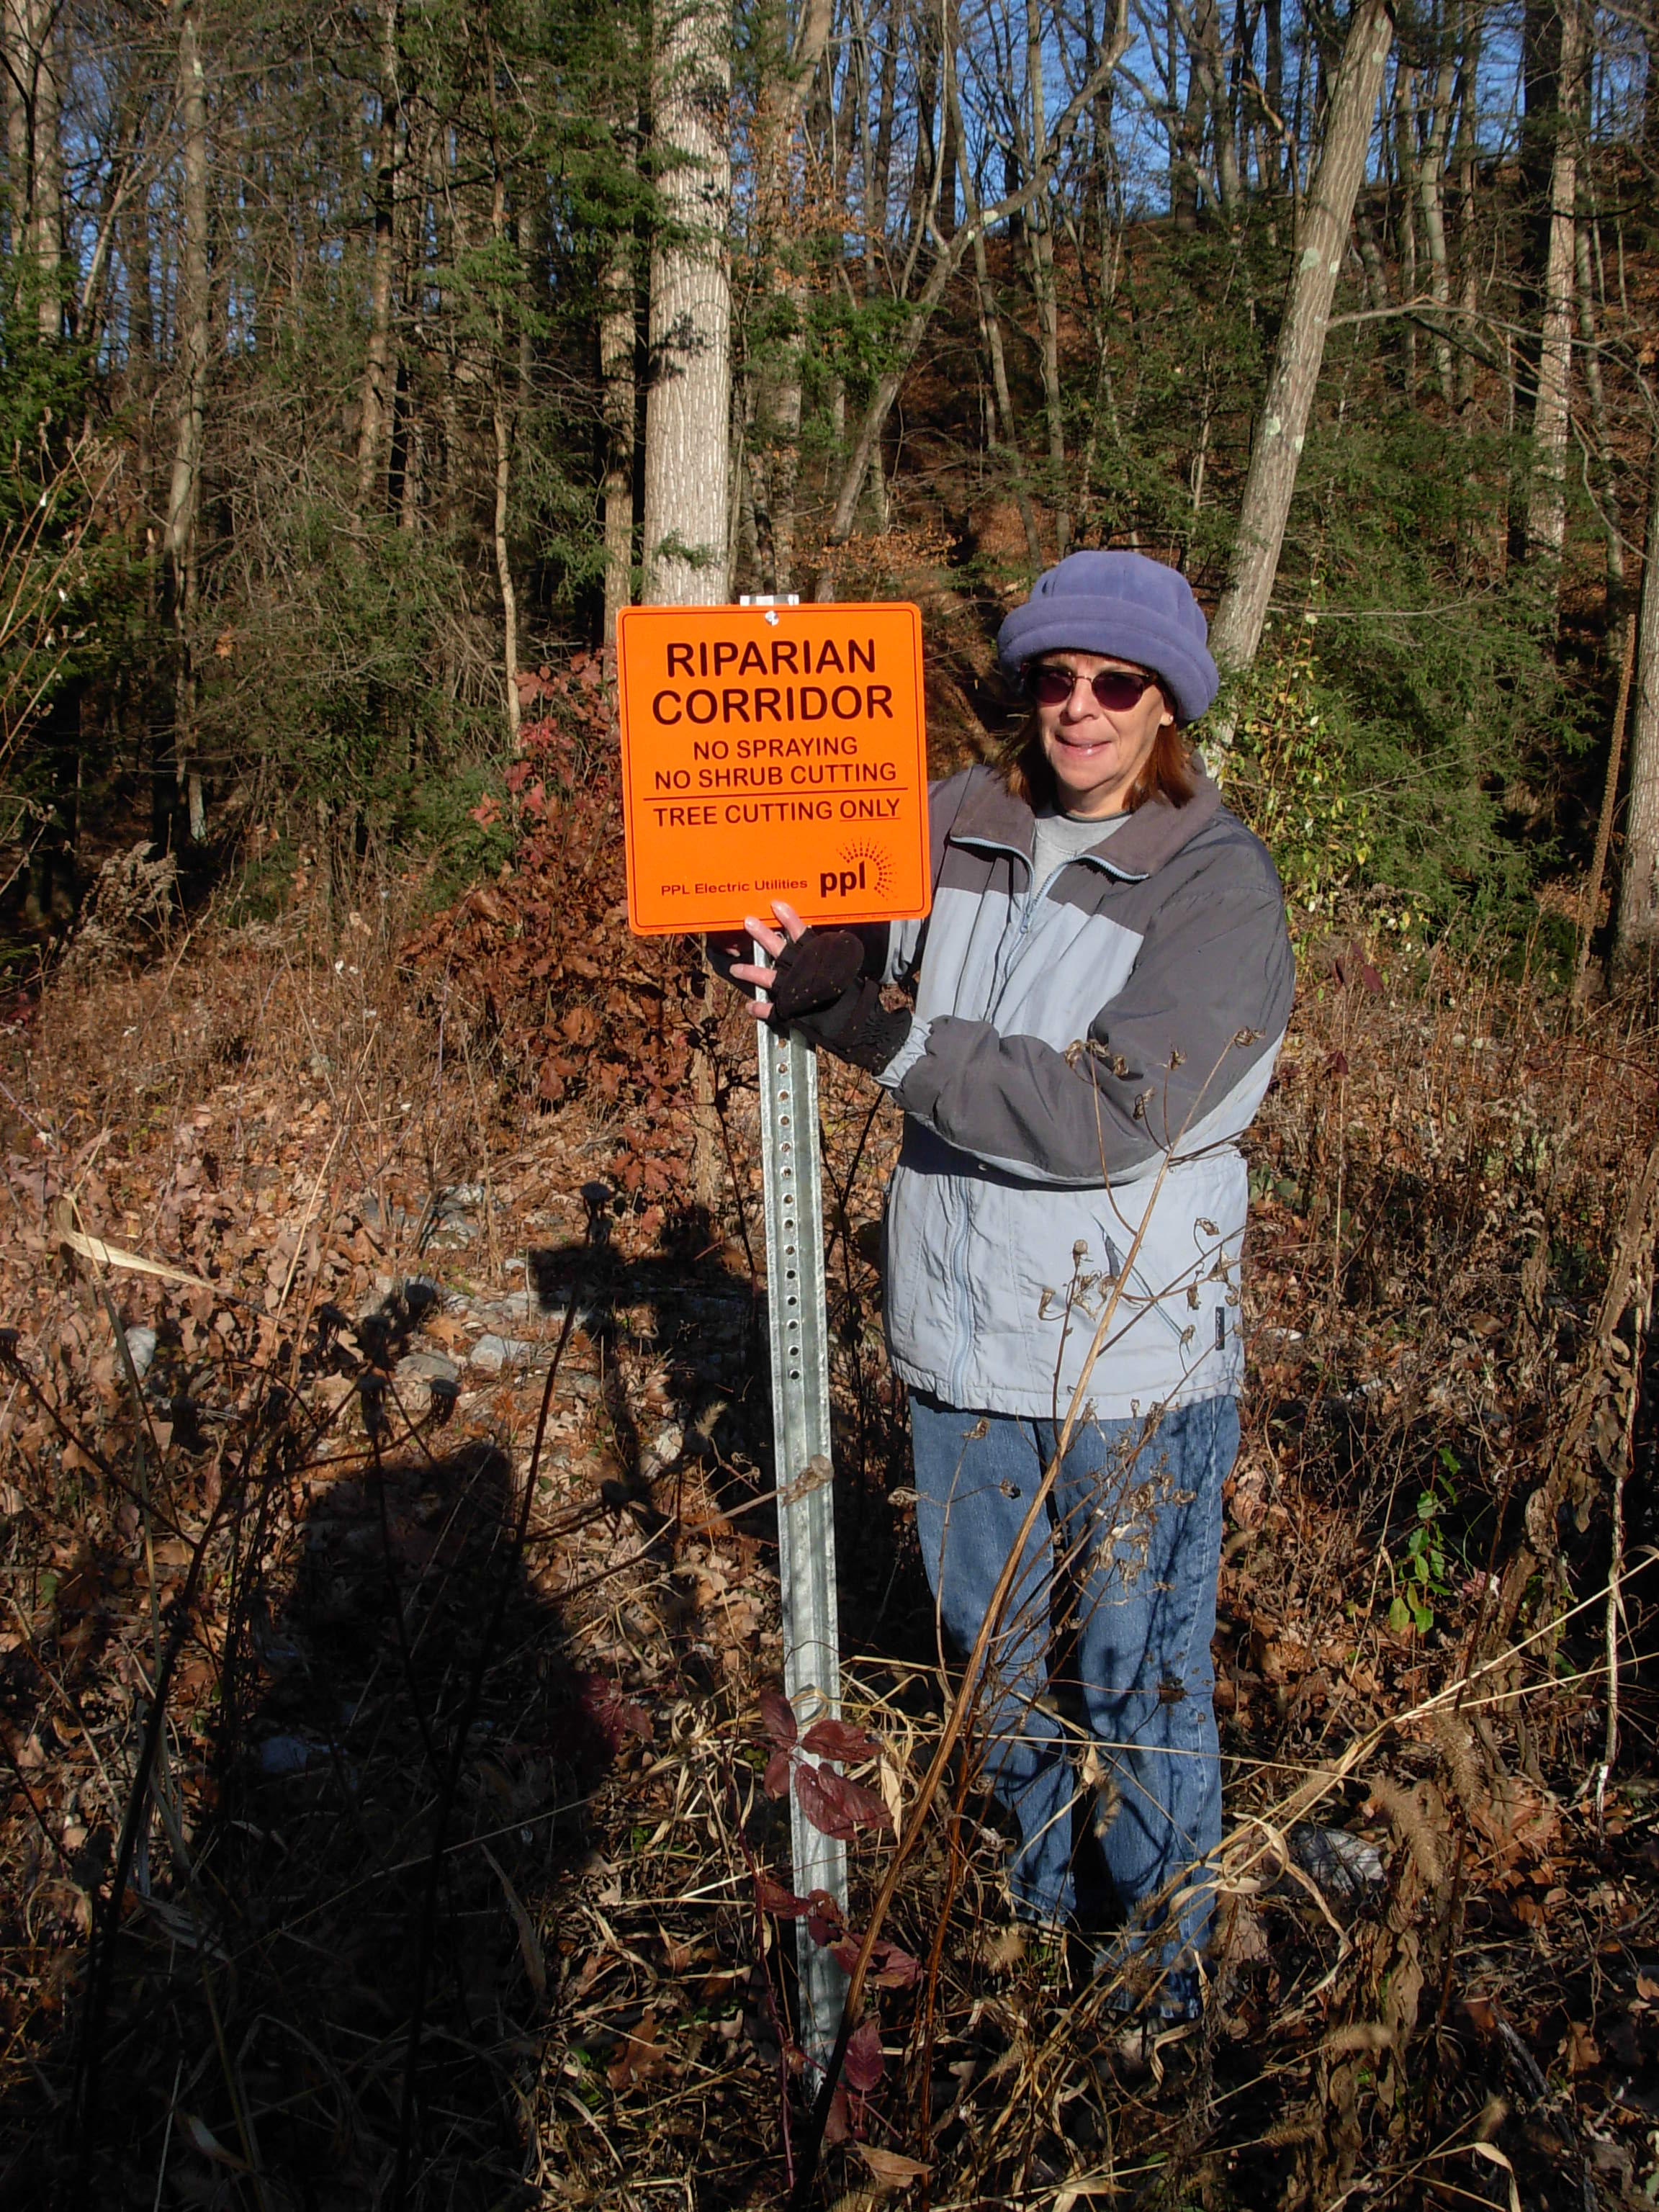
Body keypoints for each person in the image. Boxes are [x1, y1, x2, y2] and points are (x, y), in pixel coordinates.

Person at [724, 550, 1295, 2024]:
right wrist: (786, 922)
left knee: (1136, 1682)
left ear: (1168, 702)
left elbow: (1109, 1114)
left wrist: (877, 1033)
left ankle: (1154, 1997)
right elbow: (813, 876)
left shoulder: (1215, 888)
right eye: (1057, 678)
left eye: (1117, 683)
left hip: (1130, 1371)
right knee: (993, 1665)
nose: (1082, 708)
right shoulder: (965, 821)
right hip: (963, 1349)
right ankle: (1045, 1922)